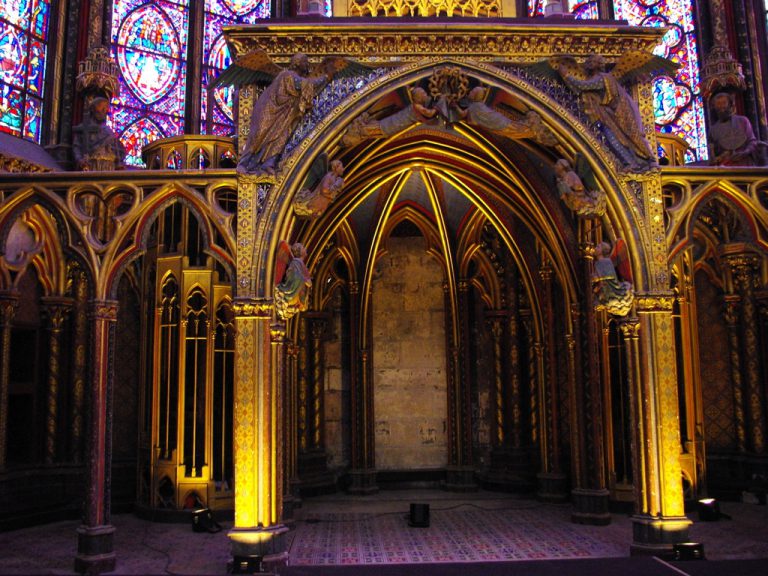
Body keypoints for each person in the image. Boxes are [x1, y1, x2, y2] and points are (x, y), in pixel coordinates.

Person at [555, 54, 656, 172]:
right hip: (602, 116)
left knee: (624, 138)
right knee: (610, 139)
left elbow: (583, 86)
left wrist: (566, 75)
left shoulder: (603, 78)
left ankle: (645, 161)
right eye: (589, 61)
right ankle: (630, 162)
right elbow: (577, 89)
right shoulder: (593, 78)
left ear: (599, 64)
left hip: (616, 114)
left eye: (592, 61)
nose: (589, 63)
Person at [238, 53, 330, 175]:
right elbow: (302, 84)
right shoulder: (287, 75)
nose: (307, 65)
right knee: (259, 136)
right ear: (297, 63)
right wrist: (325, 78)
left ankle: (268, 164)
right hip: (270, 111)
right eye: (305, 62)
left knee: (281, 137)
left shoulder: (293, 77)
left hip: (284, 114)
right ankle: (244, 163)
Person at [454, 86, 557, 146]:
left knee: (511, 127)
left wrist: (454, 105)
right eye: (472, 92)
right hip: (503, 123)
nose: (470, 92)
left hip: (503, 123)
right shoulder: (477, 107)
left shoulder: (476, 107)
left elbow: (462, 114)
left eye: (472, 92)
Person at [341, 87, 438, 147]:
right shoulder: (416, 106)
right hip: (390, 125)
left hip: (390, 125)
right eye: (423, 94)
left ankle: (359, 130)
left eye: (425, 93)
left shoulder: (417, 106)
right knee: (374, 129)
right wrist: (437, 107)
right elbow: (429, 113)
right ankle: (357, 132)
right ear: (418, 98)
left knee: (375, 128)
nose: (425, 95)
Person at [708, 92, 767, 166]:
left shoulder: (743, 121)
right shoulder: (713, 130)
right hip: (725, 166)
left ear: (730, 105)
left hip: (745, 164)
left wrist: (745, 152)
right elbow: (713, 157)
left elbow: (752, 142)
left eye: (724, 103)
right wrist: (715, 158)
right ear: (714, 107)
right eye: (718, 104)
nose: (721, 106)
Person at [72, 97, 125, 171]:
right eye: (101, 106)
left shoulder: (109, 131)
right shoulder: (83, 128)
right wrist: (80, 160)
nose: (104, 110)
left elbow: (118, 153)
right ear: (93, 109)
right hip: (91, 165)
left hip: (109, 167)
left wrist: (119, 163)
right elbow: (76, 147)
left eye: (106, 108)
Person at [275, 243, 312, 319]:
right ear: (299, 252)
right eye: (303, 248)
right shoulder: (296, 262)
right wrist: (304, 279)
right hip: (291, 292)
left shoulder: (299, 263)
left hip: (296, 295)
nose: (305, 249)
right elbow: (294, 276)